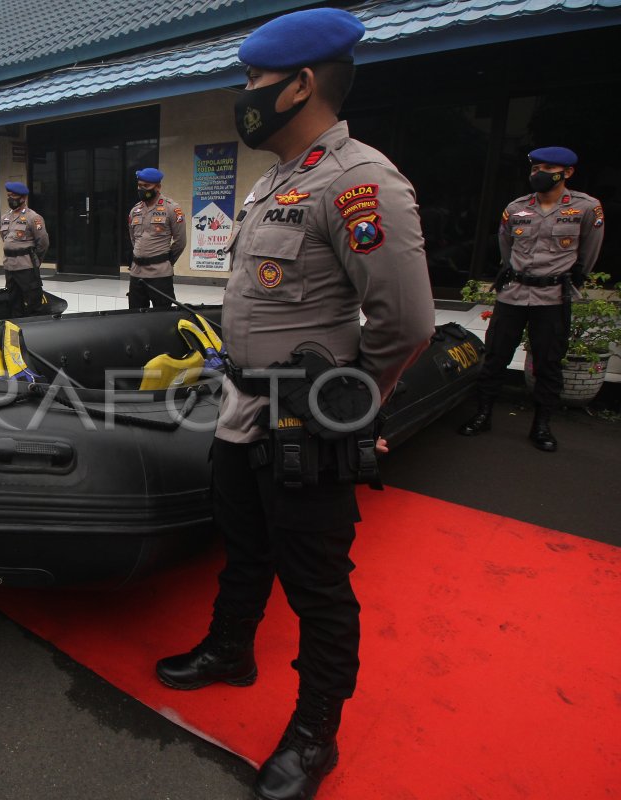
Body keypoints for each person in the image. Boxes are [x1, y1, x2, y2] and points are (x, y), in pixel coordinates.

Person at [152, 10, 434, 800]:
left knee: (317, 585)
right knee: (243, 548)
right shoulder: (281, 177)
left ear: (300, 82)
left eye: (252, 81)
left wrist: (348, 406)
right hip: (243, 410)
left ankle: (315, 736)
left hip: (305, 424)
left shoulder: (359, 181)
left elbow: (406, 322)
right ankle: (230, 651)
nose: (244, 95)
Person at [459, 147, 604, 451]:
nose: (539, 173)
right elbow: (505, 246)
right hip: (513, 294)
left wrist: (570, 279)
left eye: (548, 168)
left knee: (548, 364)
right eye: (535, 167)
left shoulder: (586, 208)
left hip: (552, 298)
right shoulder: (515, 207)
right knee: (496, 356)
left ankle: (541, 426)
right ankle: (483, 414)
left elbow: (588, 253)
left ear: (567, 173)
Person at [127, 167, 186, 309]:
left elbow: (180, 242)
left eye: (146, 186)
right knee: (134, 316)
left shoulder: (172, 209)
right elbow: (133, 239)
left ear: (158, 187)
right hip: (136, 273)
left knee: (162, 317)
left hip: (159, 274)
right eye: (139, 185)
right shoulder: (135, 210)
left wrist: (165, 260)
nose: (141, 189)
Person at [0, 181, 50, 316]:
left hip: (26, 267)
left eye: (14, 196)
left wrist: (35, 261)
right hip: (9, 267)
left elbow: (43, 242)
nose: (10, 199)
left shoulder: (33, 217)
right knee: (14, 301)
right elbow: (5, 239)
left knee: (33, 302)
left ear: (23, 198)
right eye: (9, 196)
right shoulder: (5, 218)